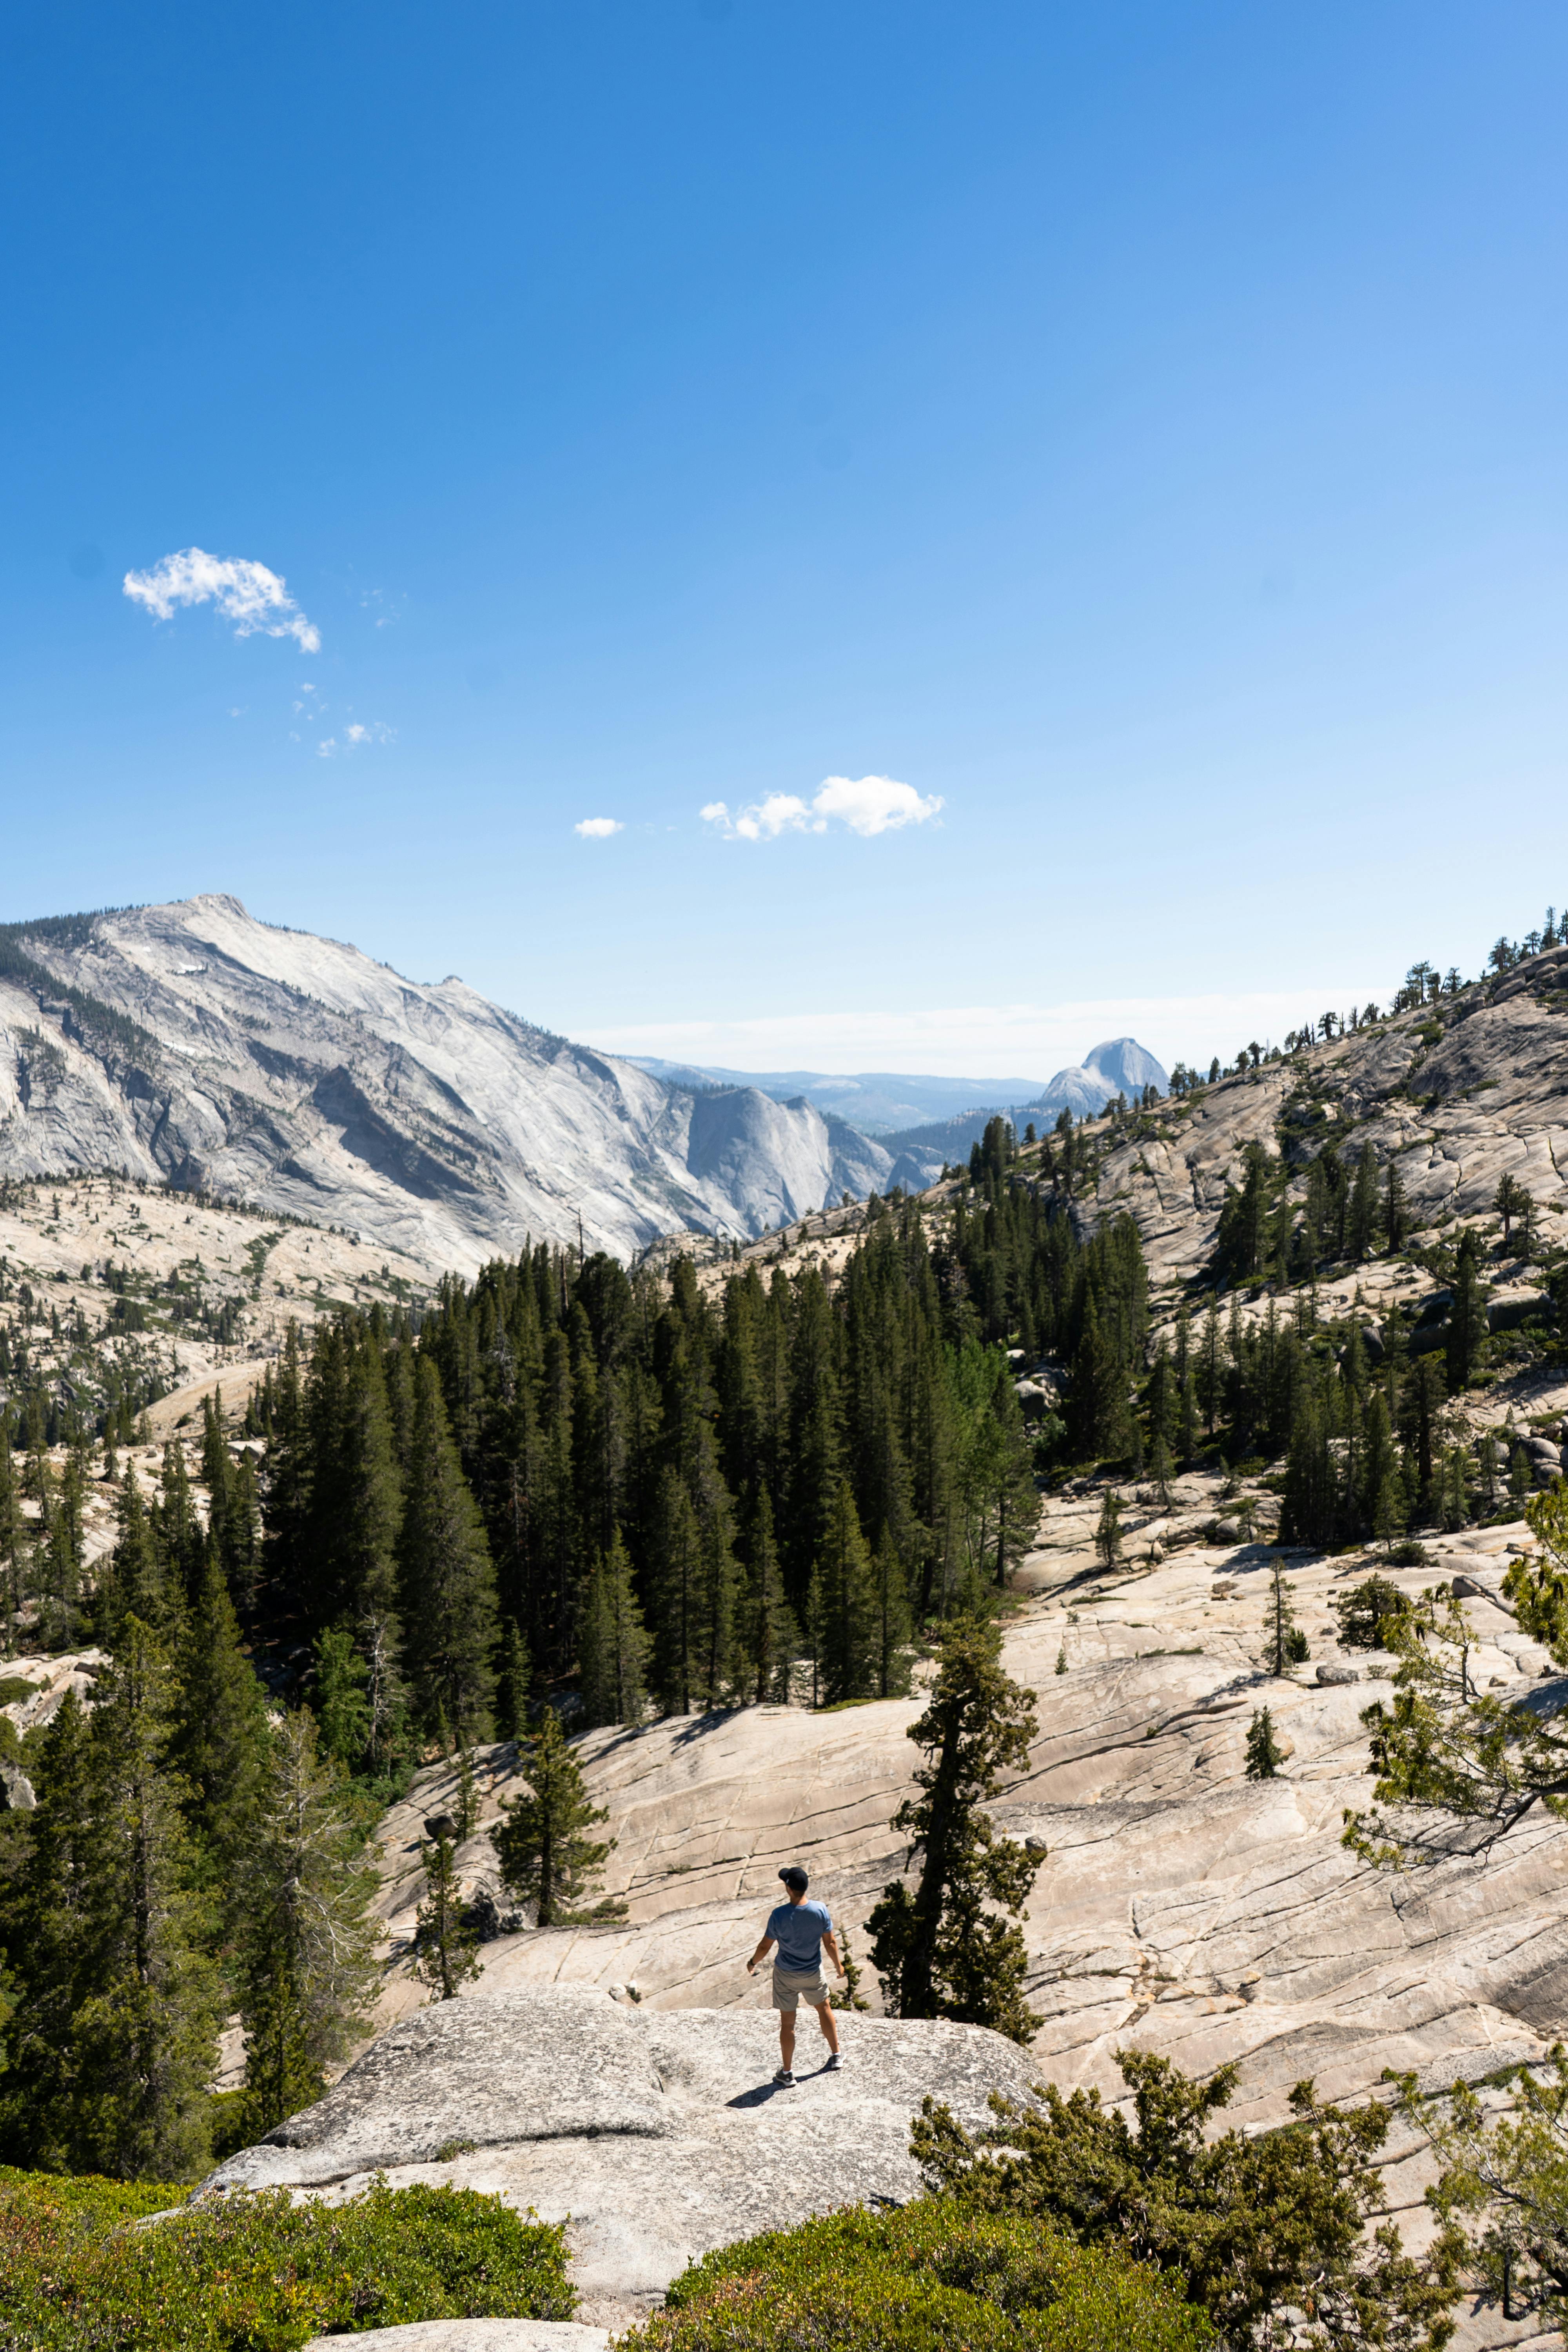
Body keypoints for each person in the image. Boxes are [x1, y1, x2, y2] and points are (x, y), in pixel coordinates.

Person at [746, 1863, 845, 2085]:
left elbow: (765, 1946)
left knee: (788, 2024)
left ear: (790, 1890)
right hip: (812, 1971)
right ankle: (837, 2055)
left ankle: (788, 2072)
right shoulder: (820, 1910)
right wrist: (838, 1966)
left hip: (786, 1975)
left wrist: (753, 1962)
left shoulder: (779, 1915)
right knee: (824, 2009)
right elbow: (830, 1942)